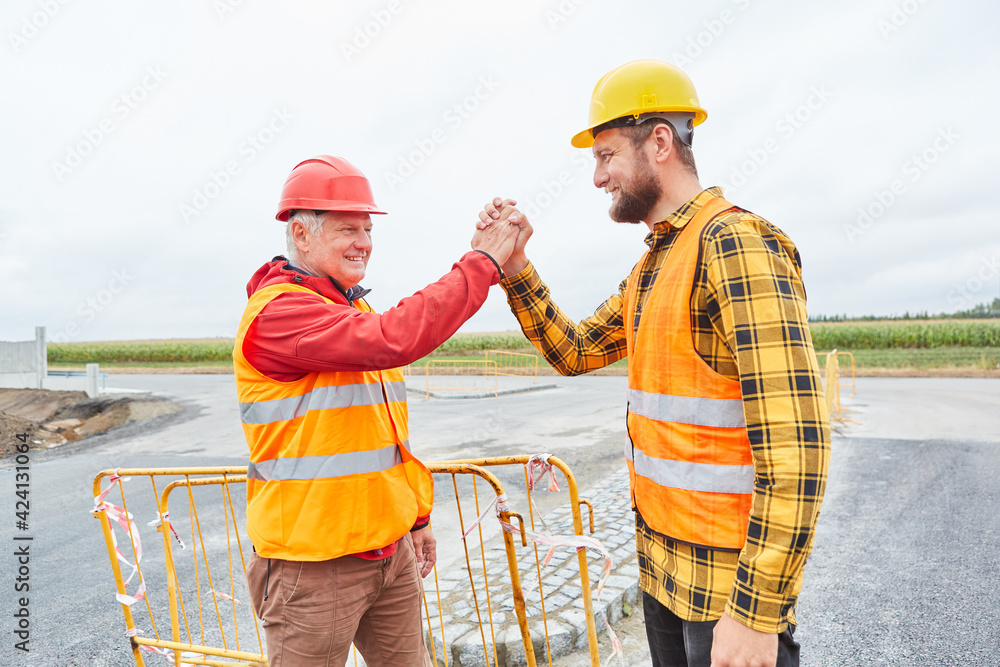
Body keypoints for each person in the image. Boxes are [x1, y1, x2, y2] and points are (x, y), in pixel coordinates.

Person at [477, 61, 830, 667]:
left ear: (660, 142)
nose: (597, 177)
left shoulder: (735, 245)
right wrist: (516, 269)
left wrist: (756, 612)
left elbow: (796, 448)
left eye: (606, 155)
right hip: (665, 579)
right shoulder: (654, 266)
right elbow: (577, 350)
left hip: (729, 597)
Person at [235, 155, 520, 666]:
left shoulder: (350, 310)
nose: (364, 241)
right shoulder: (279, 314)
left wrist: (415, 518)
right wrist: (482, 263)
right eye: (348, 228)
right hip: (314, 567)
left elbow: (381, 433)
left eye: (368, 228)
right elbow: (398, 337)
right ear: (301, 235)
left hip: (390, 554)